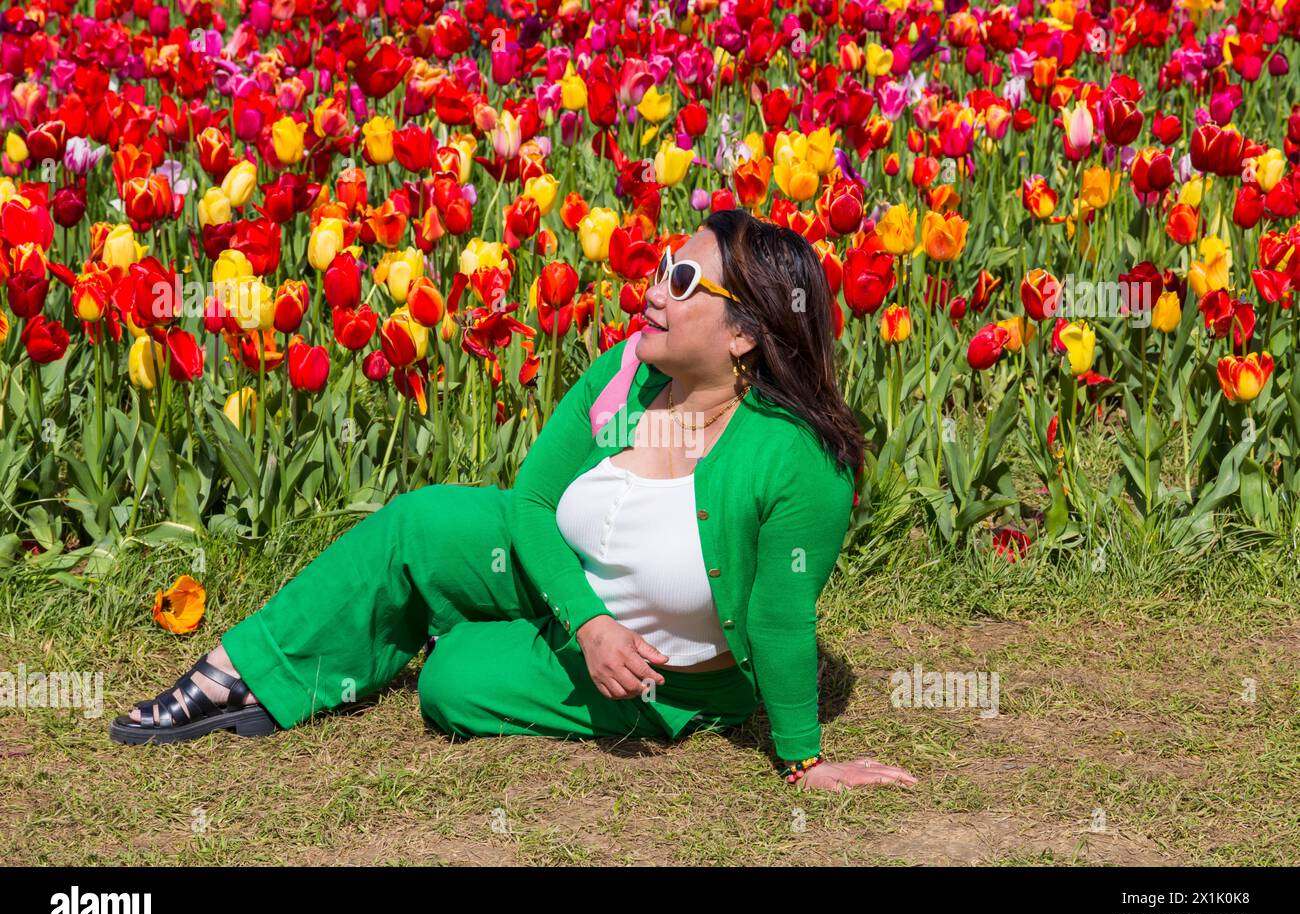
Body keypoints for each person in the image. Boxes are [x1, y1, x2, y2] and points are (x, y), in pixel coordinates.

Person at [109, 209, 917, 792]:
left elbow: (779, 618)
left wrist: (806, 761)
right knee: (419, 522)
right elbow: (531, 502)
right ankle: (238, 676)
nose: (653, 290)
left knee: (450, 685)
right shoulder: (628, 373)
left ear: (744, 333)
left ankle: (428, 629)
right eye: (660, 265)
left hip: (652, 674)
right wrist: (588, 619)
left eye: (680, 278)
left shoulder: (797, 464)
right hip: (561, 579)